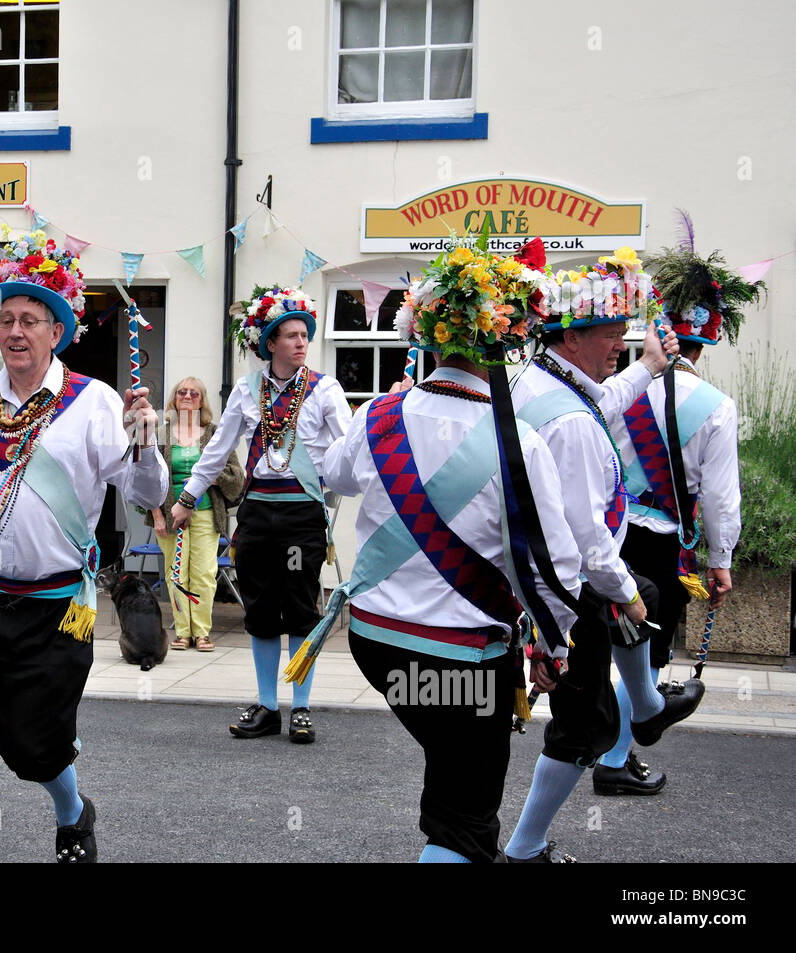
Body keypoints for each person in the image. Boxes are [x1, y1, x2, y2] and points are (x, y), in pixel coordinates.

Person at [314, 237, 582, 862]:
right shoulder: (519, 443)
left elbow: (334, 477)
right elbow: (556, 565)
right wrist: (553, 641)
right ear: (510, 340)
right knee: (465, 818)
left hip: (376, 642)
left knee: (451, 766)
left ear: (426, 334)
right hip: (460, 655)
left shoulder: (377, 415)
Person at [0, 227, 167, 862]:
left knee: (32, 747)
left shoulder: (96, 403)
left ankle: (73, 811)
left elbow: (145, 490)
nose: (15, 331)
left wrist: (144, 439)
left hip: (54, 608)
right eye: (6, 319)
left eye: (32, 320)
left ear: (58, 331)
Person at [504, 249, 702, 862]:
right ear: (575, 336)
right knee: (584, 724)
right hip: (561, 588)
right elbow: (590, 543)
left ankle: (645, 704)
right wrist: (627, 595)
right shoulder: (571, 422)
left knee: (649, 593)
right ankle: (524, 847)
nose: (621, 342)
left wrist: (646, 366)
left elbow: (599, 403)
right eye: (615, 333)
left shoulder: (533, 381)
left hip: (536, 571)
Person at [598, 217, 760, 795]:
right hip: (662, 538)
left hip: (609, 534)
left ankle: (602, 750)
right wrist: (722, 558)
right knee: (646, 654)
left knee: (613, 643)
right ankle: (613, 758)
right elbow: (718, 495)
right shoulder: (717, 406)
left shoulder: (621, 384)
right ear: (705, 340)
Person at [171, 285, 351, 744]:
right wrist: (188, 499)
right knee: (260, 609)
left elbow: (349, 448)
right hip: (255, 514)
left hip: (301, 515)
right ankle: (269, 706)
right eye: (289, 336)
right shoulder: (247, 391)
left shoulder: (324, 388)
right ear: (270, 344)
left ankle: (303, 707)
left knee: (300, 608)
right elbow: (217, 449)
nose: (300, 342)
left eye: (304, 335)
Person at [147, 377, 242, 652]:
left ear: (202, 400)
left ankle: (202, 632)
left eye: (194, 393)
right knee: (176, 573)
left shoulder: (214, 433)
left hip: (205, 512)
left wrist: (214, 478)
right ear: (174, 400)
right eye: (181, 392)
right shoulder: (161, 434)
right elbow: (149, 478)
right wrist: (157, 515)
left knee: (203, 574)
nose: (187, 396)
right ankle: (183, 632)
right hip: (169, 514)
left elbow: (237, 477)